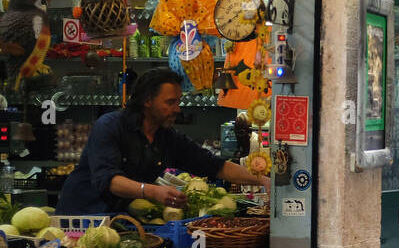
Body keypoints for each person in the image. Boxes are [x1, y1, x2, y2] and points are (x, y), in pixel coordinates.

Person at [59, 68, 271, 214]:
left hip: (121, 218)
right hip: (82, 216)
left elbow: (216, 166)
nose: (177, 109)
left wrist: (262, 180)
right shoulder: (110, 126)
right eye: (170, 102)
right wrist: (152, 191)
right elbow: (110, 181)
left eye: (178, 102)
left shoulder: (167, 137)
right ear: (147, 101)